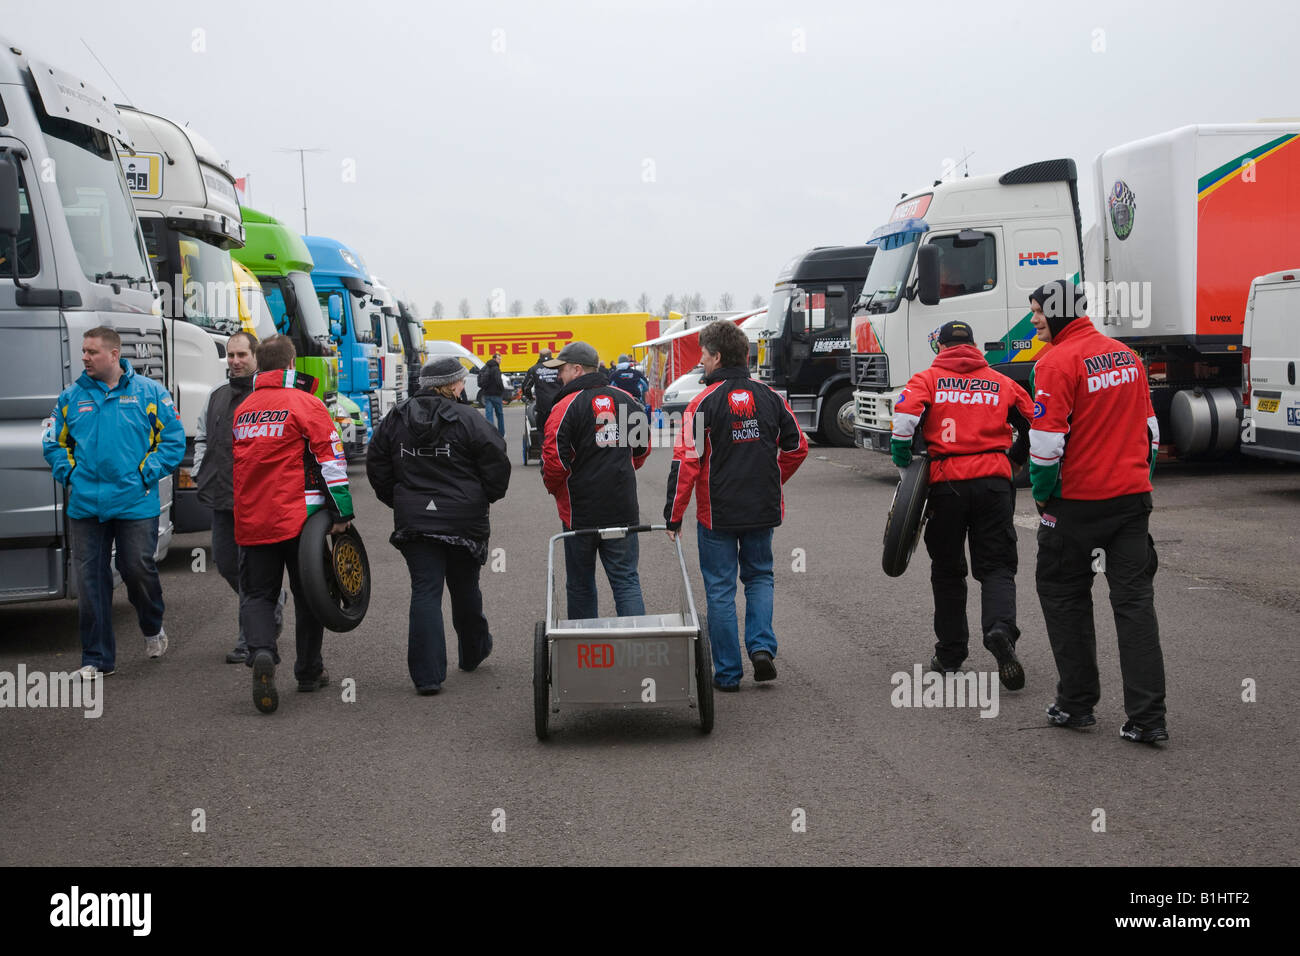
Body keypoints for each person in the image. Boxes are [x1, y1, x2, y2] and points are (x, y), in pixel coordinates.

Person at [1027, 280, 1168, 744]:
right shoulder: (1125, 355)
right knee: (1134, 605)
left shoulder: (1055, 362)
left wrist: (1043, 496)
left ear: (1061, 314)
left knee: (1064, 595)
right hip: (1131, 502)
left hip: (1077, 506)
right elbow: (1150, 429)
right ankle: (1148, 719)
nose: (1034, 321)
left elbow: (1046, 446)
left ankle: (1076, 704)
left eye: (1039, 313)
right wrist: (1136, 479)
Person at [663, 319, 807, 691]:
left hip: (717, 514)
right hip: (761, 508)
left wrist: (673, 515)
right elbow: (797, 447)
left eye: (705, 356)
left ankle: (727, 673)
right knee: (759, 577)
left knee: (720, 590)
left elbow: (685, 463)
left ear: (718, 356)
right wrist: (773, 479)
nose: (702, 364)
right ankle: (761, 648)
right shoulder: (771, 397)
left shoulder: (701, 403)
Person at [890, 320, 1034, 689]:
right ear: (973, 346)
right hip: (994, 483)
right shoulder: (1001, 381)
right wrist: (1015, 459)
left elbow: (904, 420)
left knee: (948, 569)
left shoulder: (927, 379)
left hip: (946, 485)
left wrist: (905, 460)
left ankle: (951, 653)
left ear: (940, 347)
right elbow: (1036, 421)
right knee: (998, 565)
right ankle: (1000, 630)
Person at [43, 327, 185, 679]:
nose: (85, 357)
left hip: (135, 502)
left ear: (114, 354)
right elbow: (53, 442)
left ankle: (152, 626)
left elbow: (172, 440)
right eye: (83, 351)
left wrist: (144, 473)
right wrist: (70, 473)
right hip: (86, 506)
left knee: (136, 568)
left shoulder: (149, 393)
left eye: (92, 351)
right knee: (90, 581)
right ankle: (96, 659)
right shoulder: (71, 397)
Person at [367, 357, 511, 694]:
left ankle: (428, 677)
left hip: (415, 520)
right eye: (461, 381)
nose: (464, 386)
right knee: (465, 587)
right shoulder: (468, 418)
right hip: (463, 519)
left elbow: (378, 465)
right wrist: (484, 497)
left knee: (425, 591)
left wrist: (401, 501)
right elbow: (496, 462)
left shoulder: (395, 418)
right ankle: (473, 651)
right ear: (451, 385)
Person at [233, 335, 354, 715]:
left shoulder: (244, 409)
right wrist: (342, 513)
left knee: (257, 594)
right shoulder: (306, 403)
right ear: (290, 365)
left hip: (253, 518)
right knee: (310, 595)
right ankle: (308, 671)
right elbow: (332, 459)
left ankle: (263, 652)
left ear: (259, 364)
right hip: (301, 519)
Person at [193, 331, 283, 664]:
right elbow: (202, 436)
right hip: (223, 498)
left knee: (250, 572)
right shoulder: (216, 396)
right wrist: (203, 470)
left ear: (257, 357)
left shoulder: (271, 395)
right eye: (230, 356)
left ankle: (250, 639)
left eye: (242, 355)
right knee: (227, 564)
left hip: (260, 501)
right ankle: (272, 603)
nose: (235, 362)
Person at [542, 341, 650, 619]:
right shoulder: (626, 398)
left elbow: (553, 461)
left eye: (562, 370)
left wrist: (556, 491)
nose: (559, 376)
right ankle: (637, 650)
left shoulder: (565, 406)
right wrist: (619, 471)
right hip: (622, 506)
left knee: (580, 584)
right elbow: (641, 448)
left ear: (577, 369)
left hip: (580, 511)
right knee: (626, 580)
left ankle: (583, 654)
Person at [520, 347, 562, 431]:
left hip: (543, 407)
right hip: (559, 405)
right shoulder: (559, 367)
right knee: (559, 429)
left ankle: (543, 443)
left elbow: (526, 387)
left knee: (542, 431)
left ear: (539, 356)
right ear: (551, 355)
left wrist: (530, 398)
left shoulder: (534, 369)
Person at [477, 351, 507, 437]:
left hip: (487, 395)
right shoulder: (496, 368)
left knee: (489, 415)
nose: (500, 361)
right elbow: (498, 381)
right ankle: (501, 434)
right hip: (496, 395)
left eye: (500, 359)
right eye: (499, 359)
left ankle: (491, 434)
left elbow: (480, 381)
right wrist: (502, 391)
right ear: (494, 359)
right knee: (500, 415)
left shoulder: (485, 367)